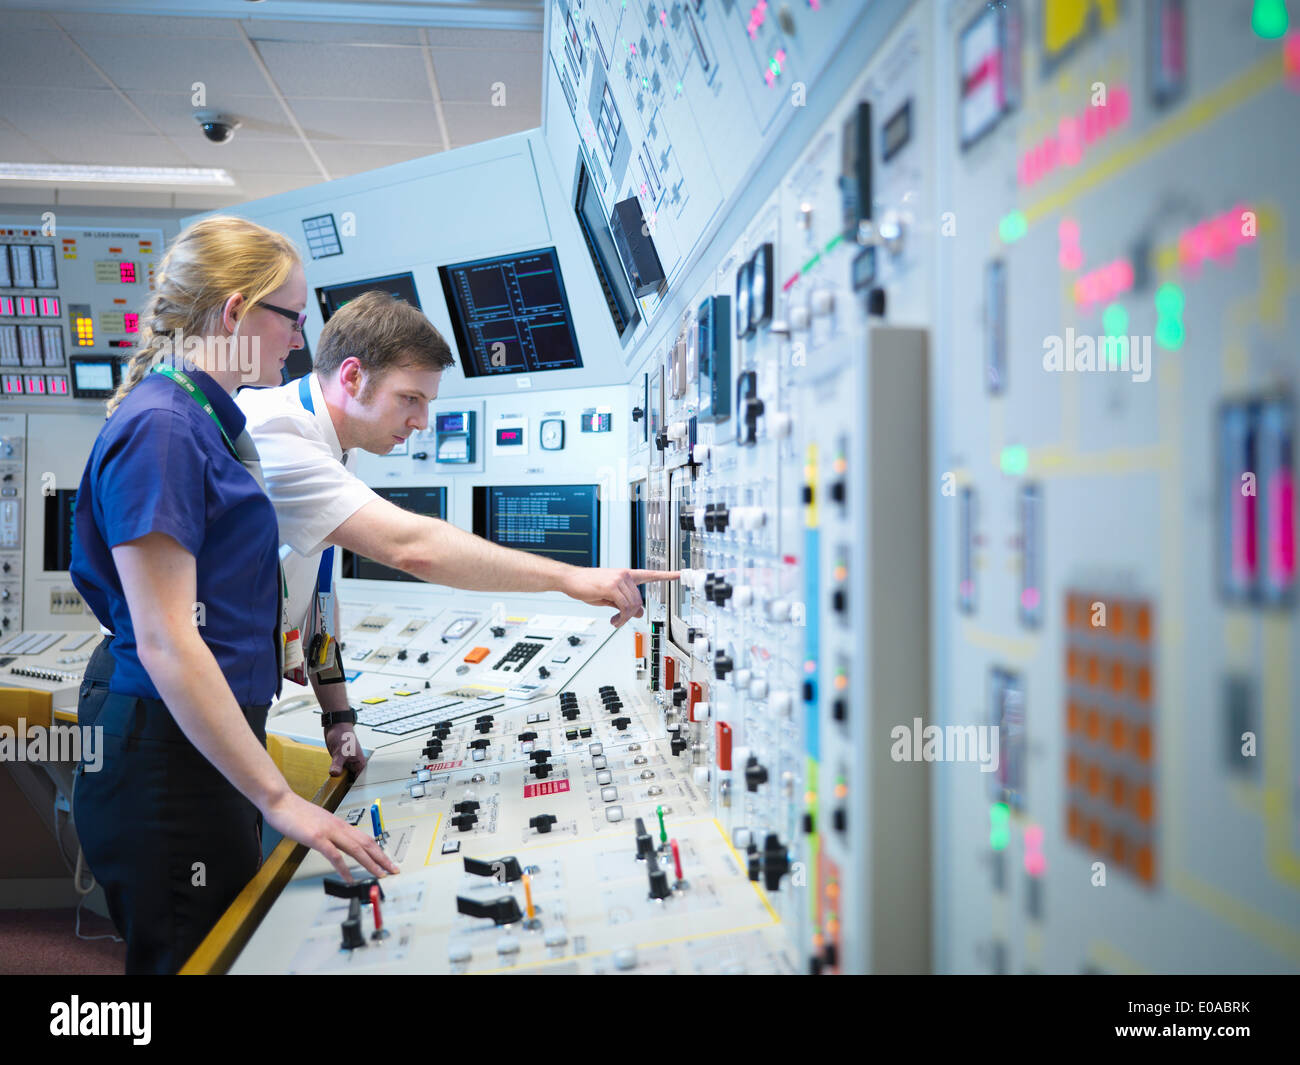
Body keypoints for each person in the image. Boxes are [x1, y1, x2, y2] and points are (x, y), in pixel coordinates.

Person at [70, 217, 397, 976]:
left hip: (198, 746)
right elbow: (165, 639)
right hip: (165, 760)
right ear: (234, 311)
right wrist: (281, 800)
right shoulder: (163, 429)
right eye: (291, 316)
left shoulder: (206, 423)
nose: (300, 337)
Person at [237, 289, 677, 769]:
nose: (421, 422)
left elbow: (319, 591)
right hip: (196, 707)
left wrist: (337, 715)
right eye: (410, 398)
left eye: (427, 402)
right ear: (353, 376)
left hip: (245, 693)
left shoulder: (337, 444)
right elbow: (413, 548)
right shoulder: (280, 435)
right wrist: (569, 577)